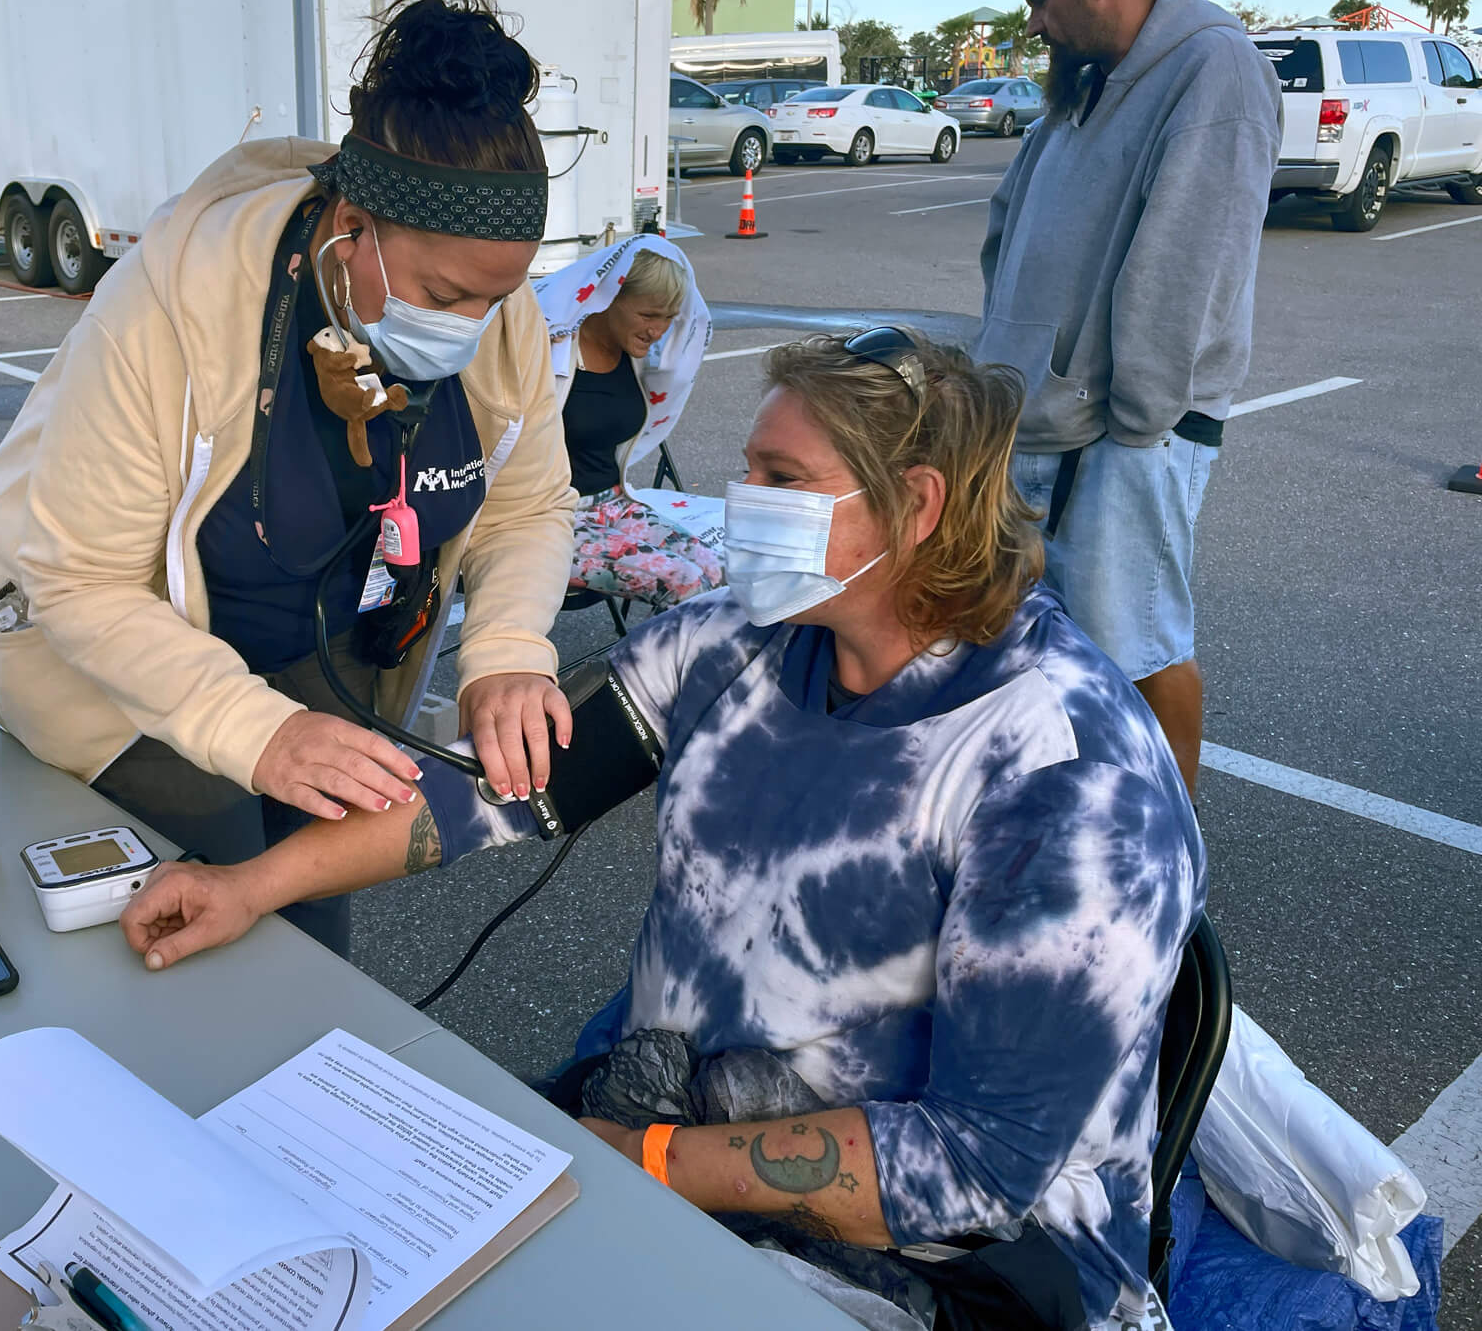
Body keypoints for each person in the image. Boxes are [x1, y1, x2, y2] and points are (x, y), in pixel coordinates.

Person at [119, 330, 1206, 1331]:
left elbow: (976, 1169)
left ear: (915, 507)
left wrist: (637, 1160)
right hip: (660, 1140)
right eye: (747, 468)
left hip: (937, 1268)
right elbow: (495, 792)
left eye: (782, 480)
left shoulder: (1067, 775)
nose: (742, 501)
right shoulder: (737, 640)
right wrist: (254, 886)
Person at [0, 0, 578, 957]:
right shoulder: (172, 304)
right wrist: (257, 734)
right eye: (444, 294)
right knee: (199, 889)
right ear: (350, 223)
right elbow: (78, 582)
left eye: (498, 297)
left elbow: (529, 506)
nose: (470, 329)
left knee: (307, 919)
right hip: (120, 664)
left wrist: (504, 651)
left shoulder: (502, 314)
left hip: (320, 647)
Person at [977, 0, 1280, 794]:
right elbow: (1012, 221)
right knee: (1053, 643)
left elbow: (1191, 254)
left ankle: (1170, 860)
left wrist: (1139, 419)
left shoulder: (1213, 69)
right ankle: (1081, 822)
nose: (1035, 22)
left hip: (1130, 428)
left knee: (1138, 645)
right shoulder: (1091, 79)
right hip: (1050, 410)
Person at [535, 236, 724, 611]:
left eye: (670, 317)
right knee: (683, 582)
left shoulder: (637, 358)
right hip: (549, 517)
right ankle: (670, 666)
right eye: (648, 315)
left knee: (716, 570)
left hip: (615, 503)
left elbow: (676, 368)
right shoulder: (549, 348)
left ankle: (697, 663)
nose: (659, 330)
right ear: (607, 297)